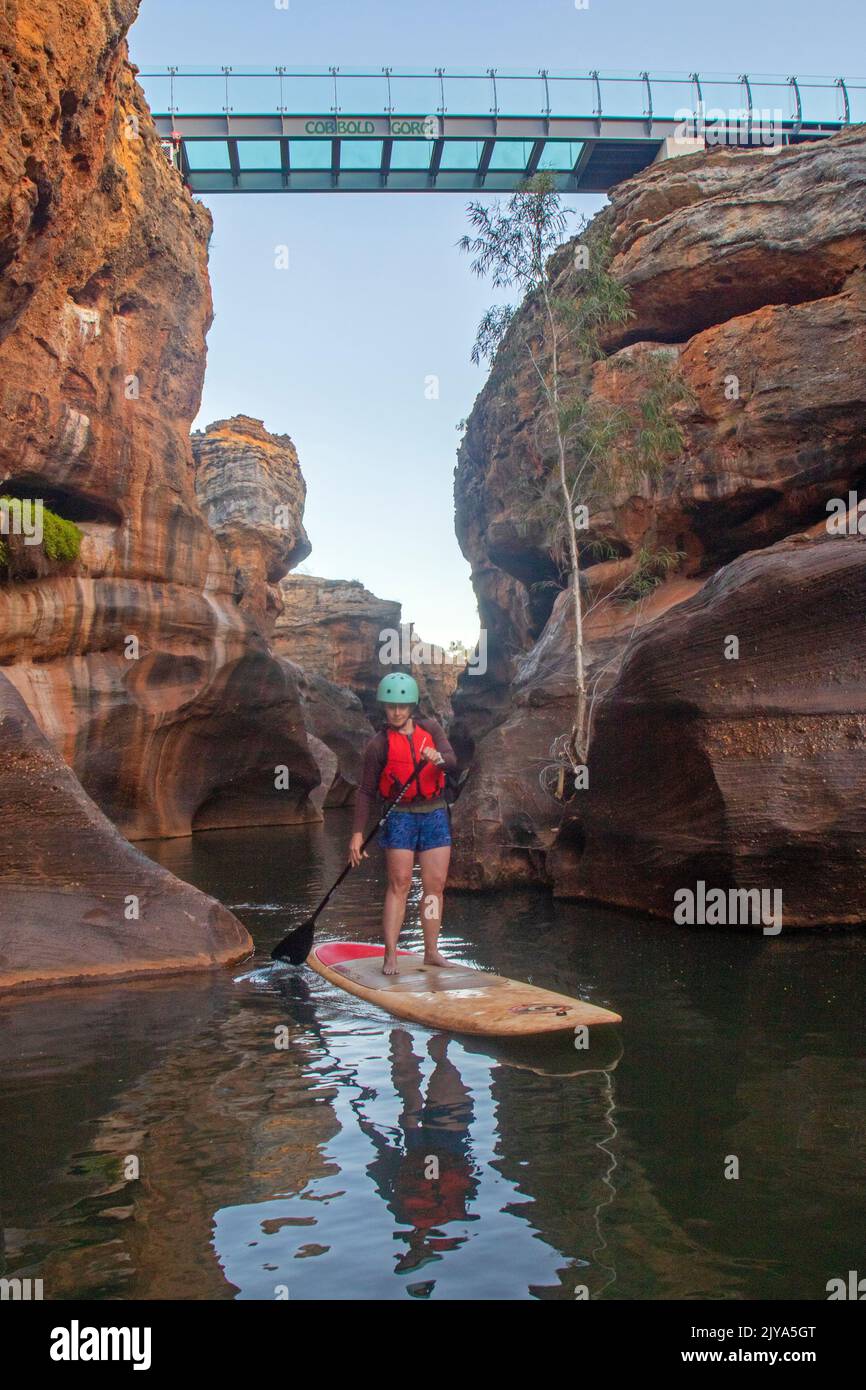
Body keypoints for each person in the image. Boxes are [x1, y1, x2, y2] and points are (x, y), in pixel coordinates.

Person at [349, 672, 457, 975]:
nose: (396, 712)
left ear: (412, 706)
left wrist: (438, 759)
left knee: (435, 886)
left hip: (435, 813)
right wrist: (357, 834)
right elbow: (366, 791)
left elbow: (453, 762)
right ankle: (391, 955)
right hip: (400, 817)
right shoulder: (378, 745)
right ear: (384, 707)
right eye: (391, 706)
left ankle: (432, 951)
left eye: (402, 706)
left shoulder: (431, 728)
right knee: (400, 885)